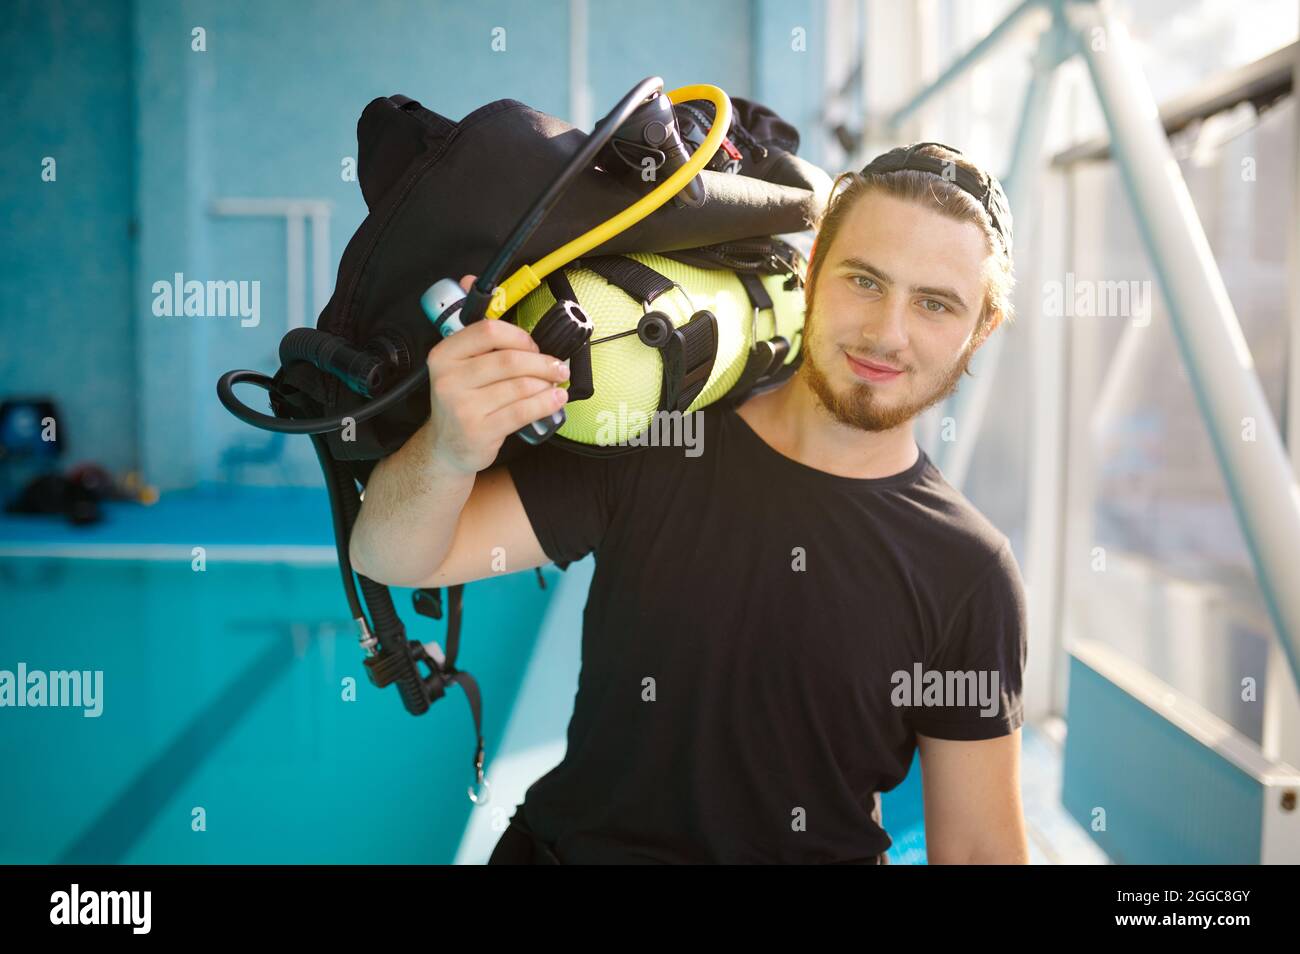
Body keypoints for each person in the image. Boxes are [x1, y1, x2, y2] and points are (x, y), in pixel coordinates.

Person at [349, 142, 1030, 865]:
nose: (887, 333)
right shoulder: (658, 442)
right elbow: (393, 555)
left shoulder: (969, 572)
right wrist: (450, 448)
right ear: (812, 271)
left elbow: (980, 850)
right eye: (864, 280)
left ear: (979, 330)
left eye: (934, 304)